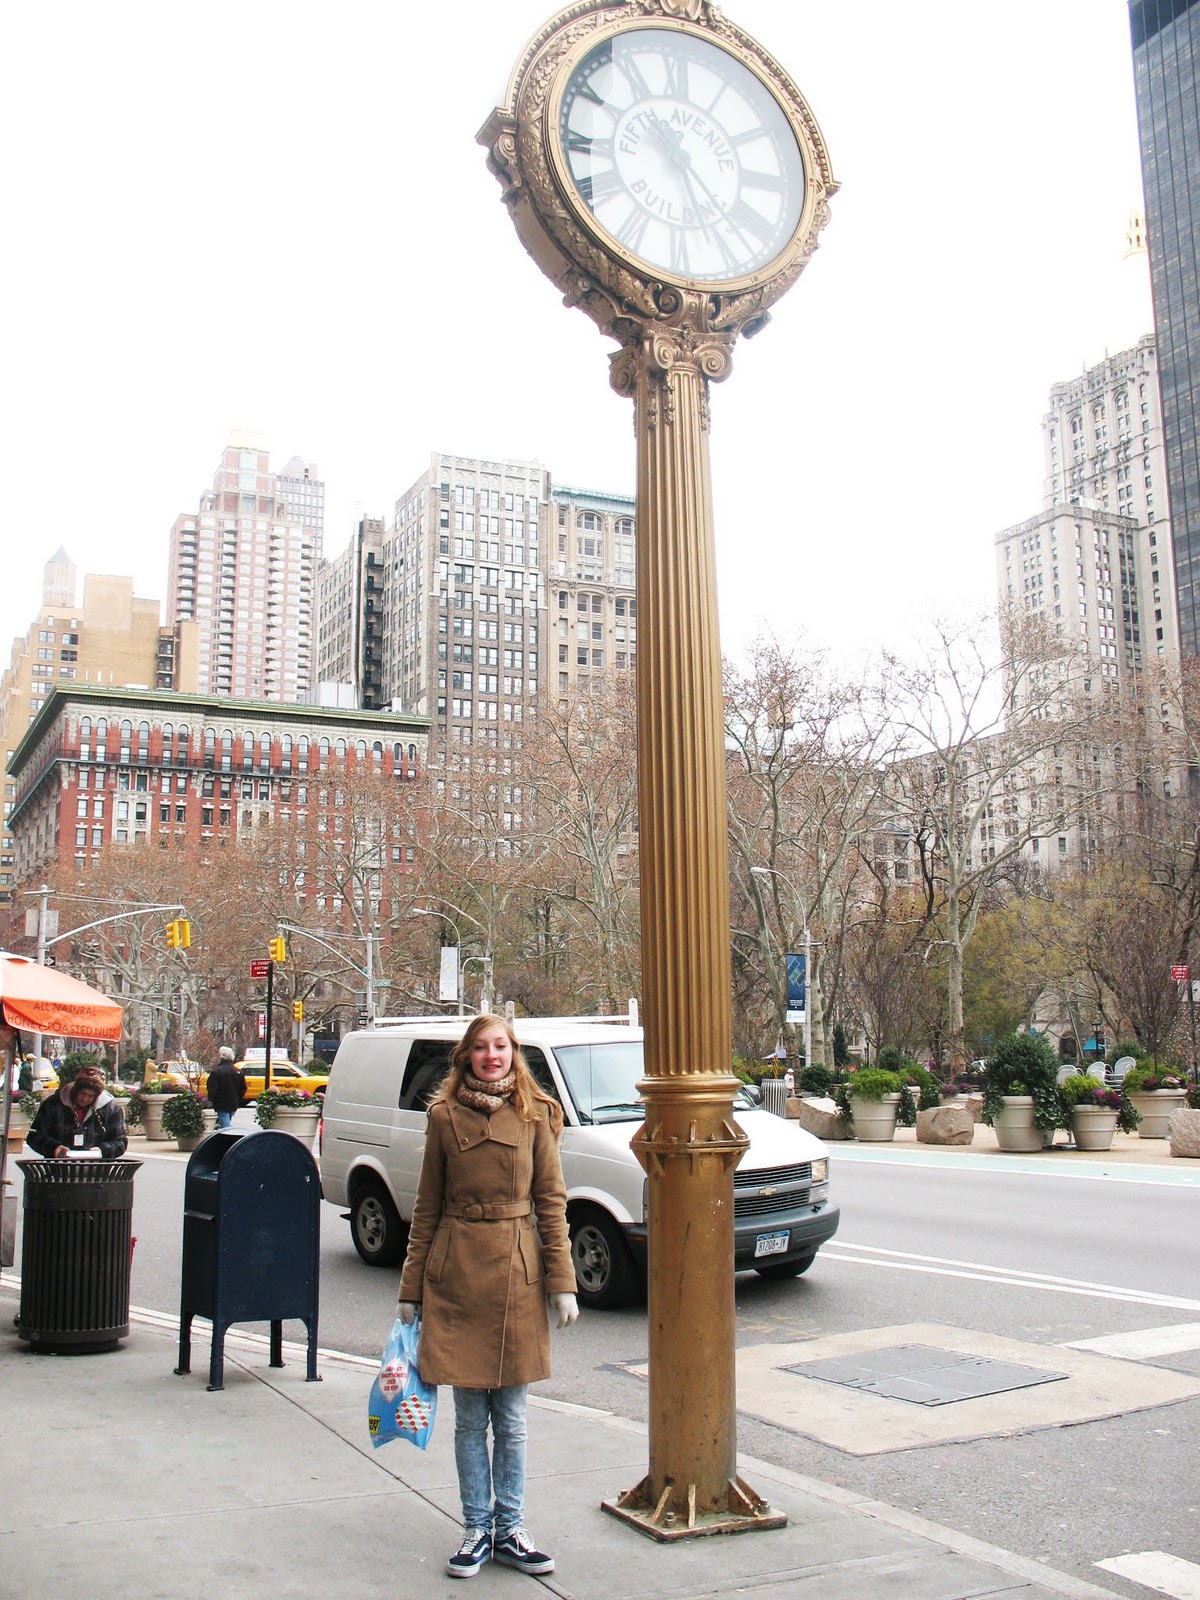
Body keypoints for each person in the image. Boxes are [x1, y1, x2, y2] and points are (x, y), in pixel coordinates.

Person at [397, 1013, 578, 1580]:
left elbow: (552, 1202)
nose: (491, 1056)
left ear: (513, 1053)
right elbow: (427, 1205)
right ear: (466, 1057)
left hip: (518, 1275)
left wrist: (563, 1281)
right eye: (480, 1047)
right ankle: (477, 1528)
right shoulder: (443, 1119)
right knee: (471, 1419)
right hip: (457, 1278)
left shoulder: (538, 1117)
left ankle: (512, 1530)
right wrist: (411, 1287)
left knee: (515, 1418)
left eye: (500, 1046)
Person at [26, 1064, 127, 1159]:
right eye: (82, 1093)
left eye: (90, 1096)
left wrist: (101, 1151)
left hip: (97, 1170)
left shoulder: (110, 1108)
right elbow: (34, 1136)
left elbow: (120, 1142)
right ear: (75, 1090)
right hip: (58, 1169)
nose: (85, 1099)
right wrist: (54, 1148)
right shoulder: (53, 1104)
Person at [205, 1046, 246, 1129]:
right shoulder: (238, 1071)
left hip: (220, 1103)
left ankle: (227, 1138)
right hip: (233, 1102)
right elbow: (243, 1088)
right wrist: (238, 1099)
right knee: (227, 1120)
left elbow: (212, 1088)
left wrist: (210, 1100)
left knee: (225, 1125)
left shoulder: (217, 1072)